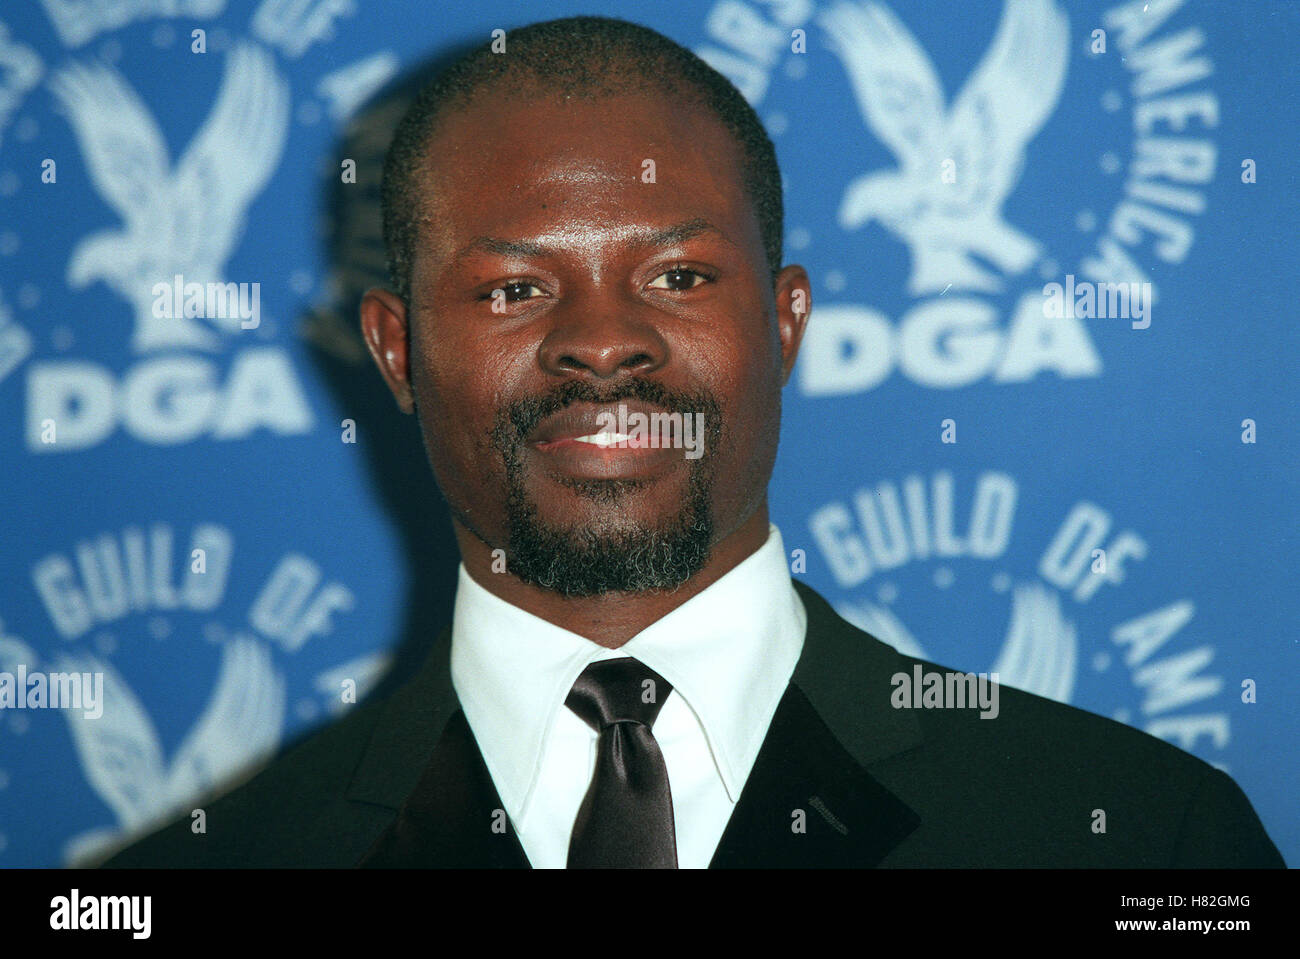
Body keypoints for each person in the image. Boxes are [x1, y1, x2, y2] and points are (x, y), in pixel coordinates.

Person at [104, 15, 1283, 869]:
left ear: (783, 322)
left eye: (675, 274)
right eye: (515, 288)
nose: (603, 341)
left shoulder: (1135, 835)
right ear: (398, 353)